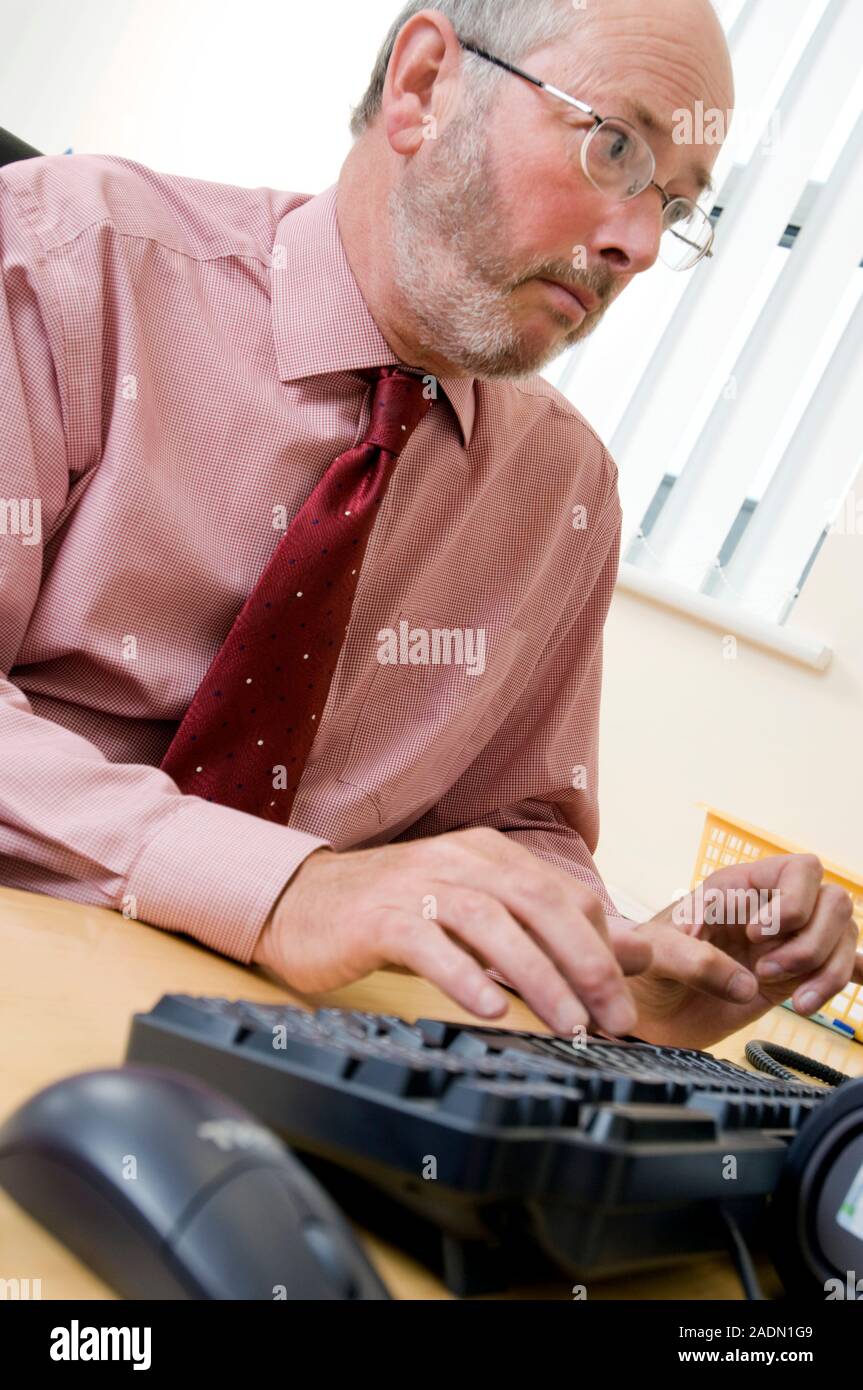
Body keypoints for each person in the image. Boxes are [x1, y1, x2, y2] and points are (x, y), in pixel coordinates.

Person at [1, 0, 858, 1048]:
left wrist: (616, 977)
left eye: (676, 207)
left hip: (295, 1061)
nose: (635, 242)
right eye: (615, 147)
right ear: (421, 87)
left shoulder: (564, 489)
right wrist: (286, 890)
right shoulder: (62, 260)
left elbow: (516, 827)